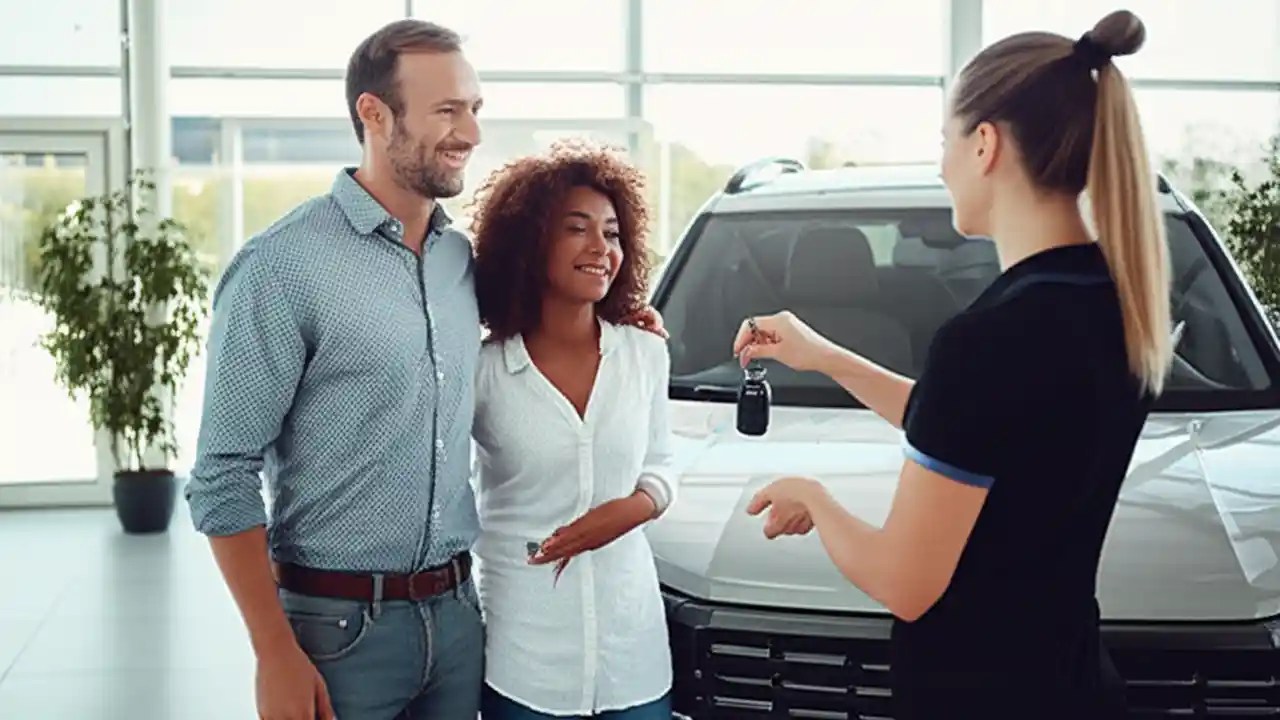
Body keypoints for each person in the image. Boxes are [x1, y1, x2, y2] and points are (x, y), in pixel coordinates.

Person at [183, 21, 663, 720]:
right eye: (447, 110)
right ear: (373, 115)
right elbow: (221, 476)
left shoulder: (460, 263)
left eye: (474, 109)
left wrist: (630, 324)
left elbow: (549, 322)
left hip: (461, 620)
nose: (469, 131)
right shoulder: (281, 268)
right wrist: (272, 649)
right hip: (337, 632)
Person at [733, 10, 1168, 720]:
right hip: (1076, 683)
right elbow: (985, 429)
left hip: (977, 693)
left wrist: (815, 497)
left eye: (946, 141)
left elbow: (907, 583)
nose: (941, 164)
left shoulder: (990, 338)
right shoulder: (1118, 307)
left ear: (985, 145)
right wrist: (823, 355)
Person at [467, 139, 676, 720]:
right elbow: (447, 491)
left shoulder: (645, 354)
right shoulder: (485, 371)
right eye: (577, 229)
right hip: (525, 659)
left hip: (632, 659)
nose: (600, 248)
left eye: (611, 233)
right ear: (530, 245)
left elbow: (662, 463)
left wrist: (628, 510)